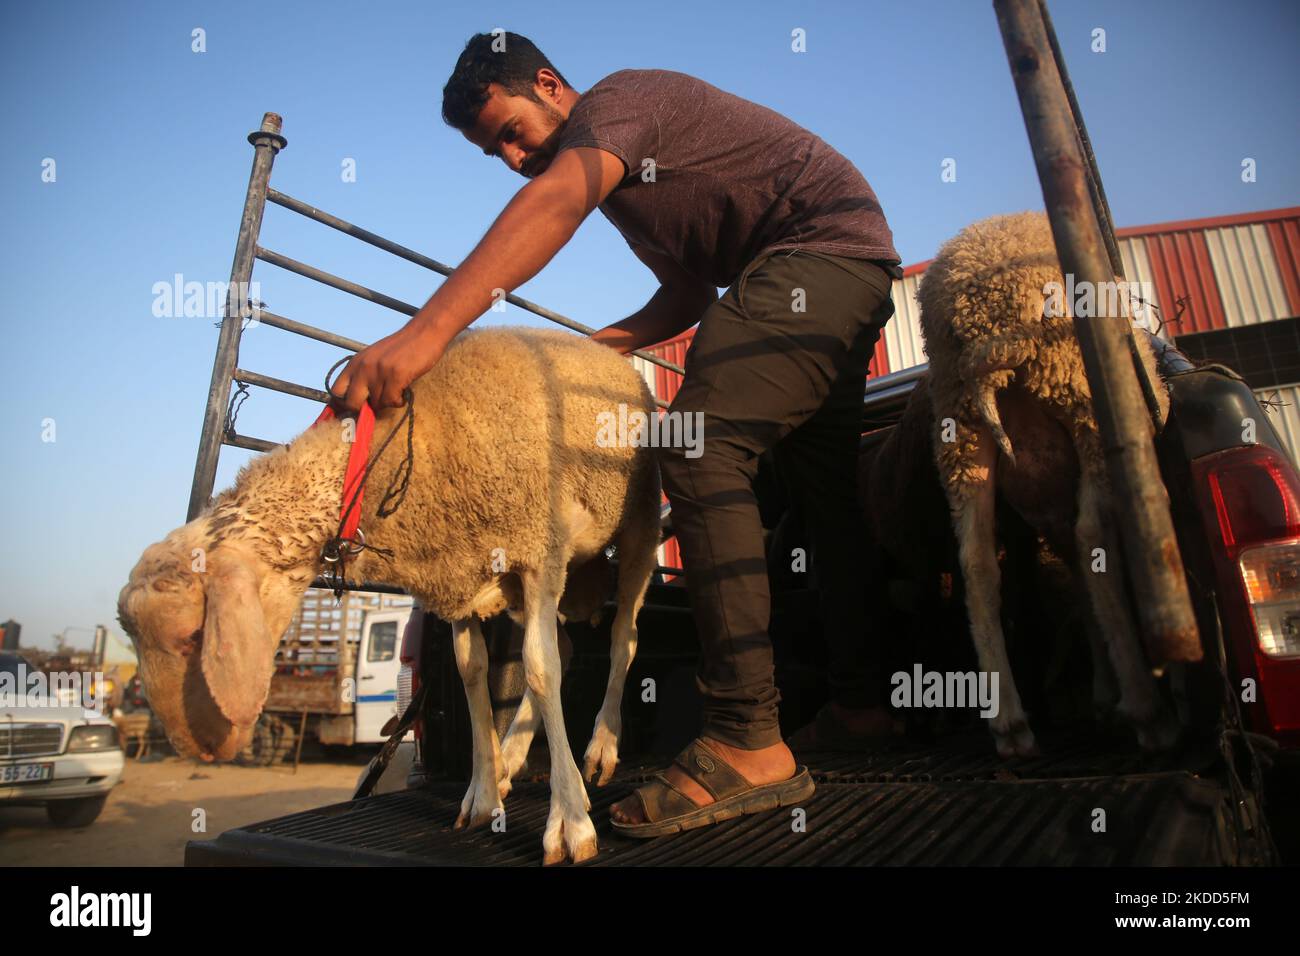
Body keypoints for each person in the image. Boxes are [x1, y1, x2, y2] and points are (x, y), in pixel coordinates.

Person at [331, 32, 902, 835]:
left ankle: (746, 738)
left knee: (698, 447)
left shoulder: (620, 103)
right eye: (491, 151)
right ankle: (863, 707)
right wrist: (609, 345)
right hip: (839, 265)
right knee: (823, 496)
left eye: (509, 132)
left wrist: (425, 335)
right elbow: (690, 292)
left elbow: (558, 201)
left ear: (549, 84)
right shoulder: (635, 192)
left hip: (816, 253)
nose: (510, 158)